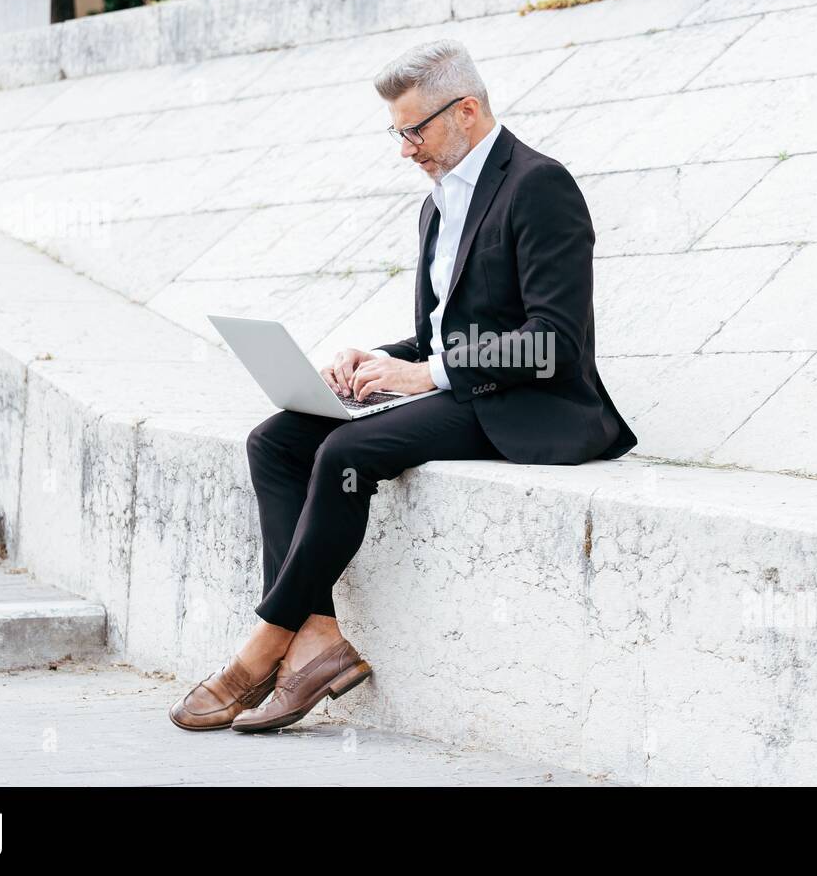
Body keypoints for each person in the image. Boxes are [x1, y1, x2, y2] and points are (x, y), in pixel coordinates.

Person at [169, 38, 637, 733]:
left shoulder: (539, 185)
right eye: (397, 133)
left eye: (413, 130)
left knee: (345, 454)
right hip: (461, 389)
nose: (404, 149)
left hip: (532, 407)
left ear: (468, 111)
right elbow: (436, 333)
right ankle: (319, 640)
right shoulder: (436, 204)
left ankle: (267, 643)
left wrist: (426, 374)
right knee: (276, 441)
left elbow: (555, 343)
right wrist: (374, 360)